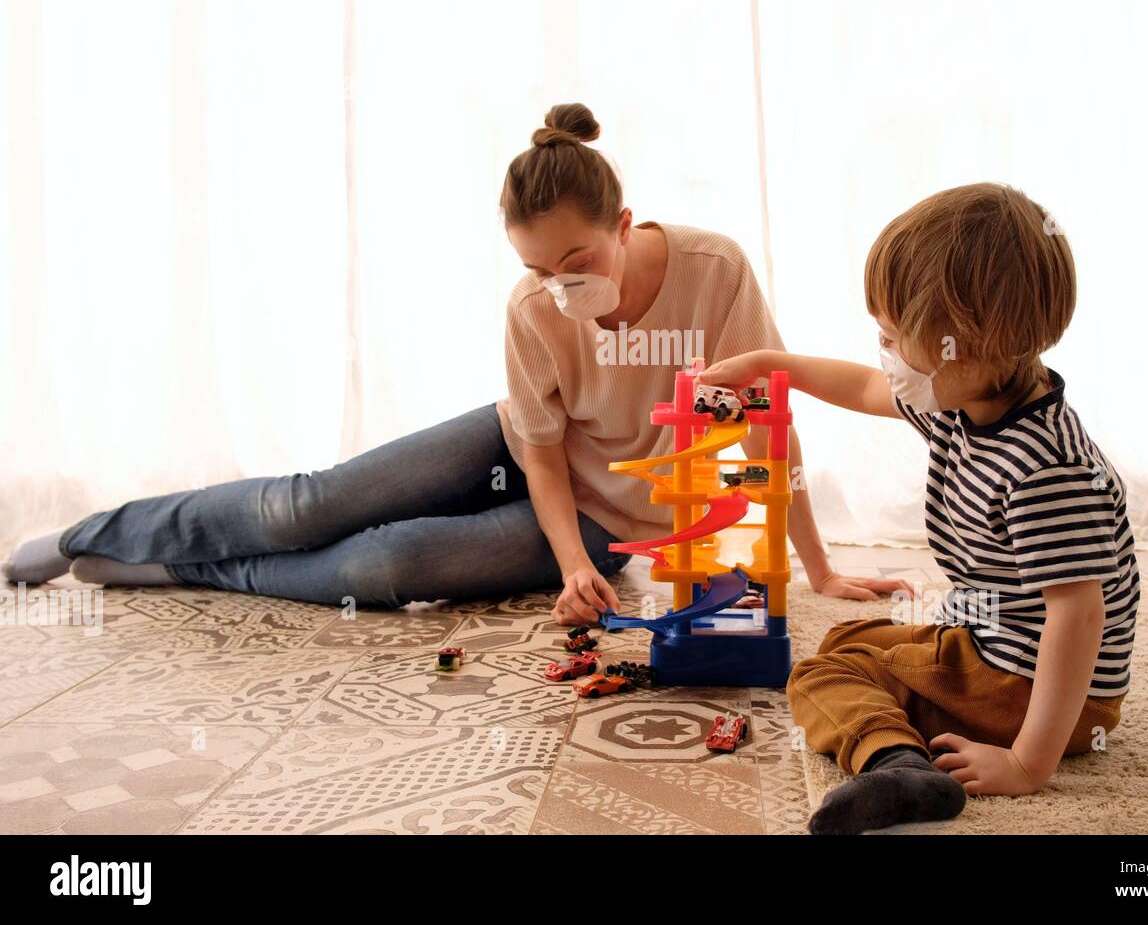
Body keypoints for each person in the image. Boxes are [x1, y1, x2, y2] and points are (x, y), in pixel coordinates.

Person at [4, 103, 912, 623]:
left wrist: (819, 568)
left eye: (577, 265)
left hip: (612, 511)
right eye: (535, 271)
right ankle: (98, 533)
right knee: (313, 503)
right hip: (533, 452)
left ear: (623, 227)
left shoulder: (714, 273)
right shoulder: (532, 309)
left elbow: (765, 421)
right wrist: (560, 552)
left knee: (386, 569)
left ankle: (182, 568)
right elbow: (542, 451)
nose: (558, 288)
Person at [701, 183, 1140, 832]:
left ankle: (896, 763)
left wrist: (1027, 764)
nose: (884, 354)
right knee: (853, 639)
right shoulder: (971, 397)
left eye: (892, 337)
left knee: (822, 674)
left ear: (967, 343)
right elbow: (863, 385)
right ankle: (904, 744)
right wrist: (770, 363)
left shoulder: (1046, 469)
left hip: (1030, 687)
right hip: (994, 647)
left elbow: (1077, 617)